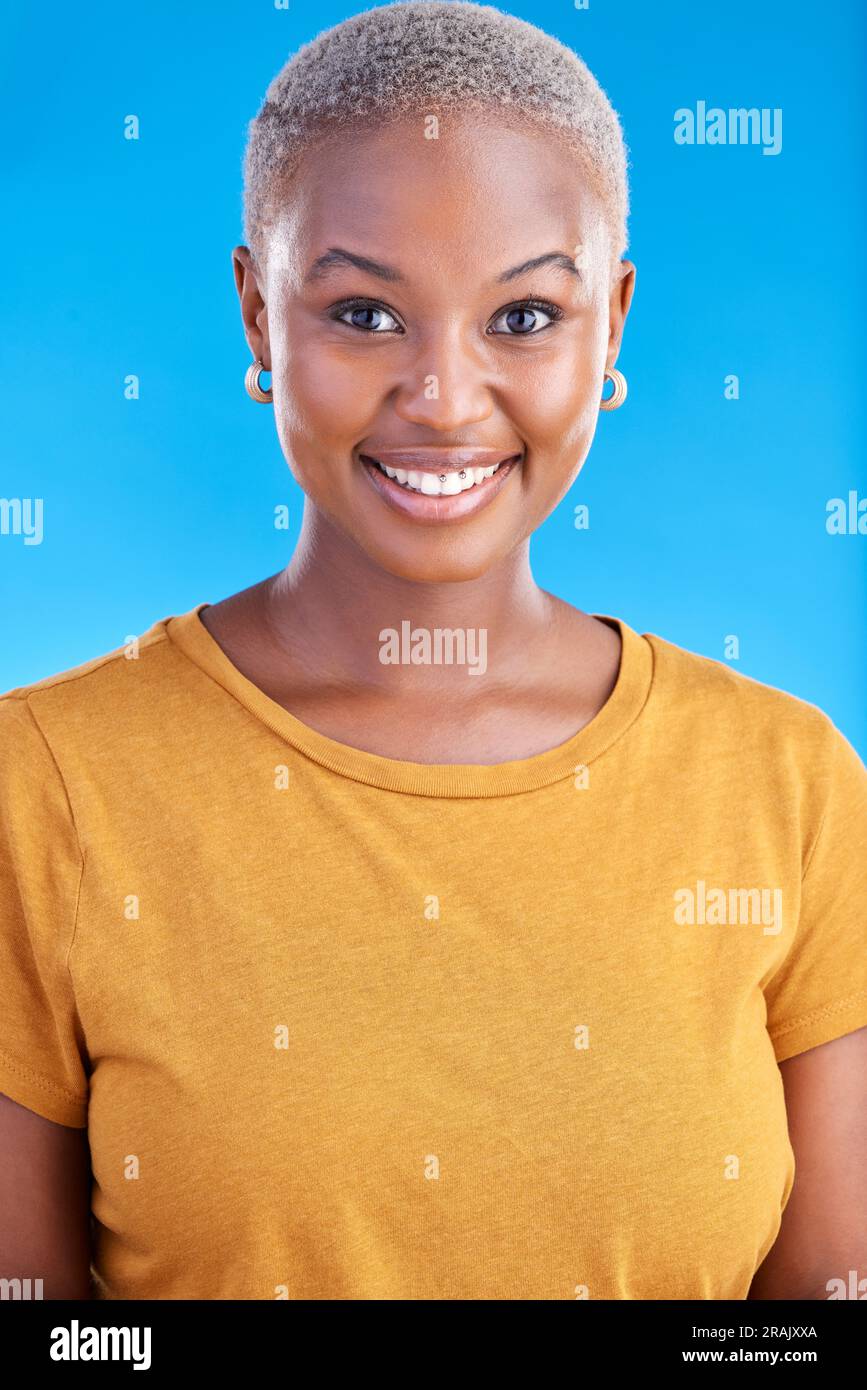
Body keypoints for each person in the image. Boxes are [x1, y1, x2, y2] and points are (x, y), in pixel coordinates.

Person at [1, 0, 865, 1301]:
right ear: (255, 315)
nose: (446, 400)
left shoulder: (788, 784)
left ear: (612, 325)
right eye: (363, 312)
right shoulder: (45, 780)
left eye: (524, 318)